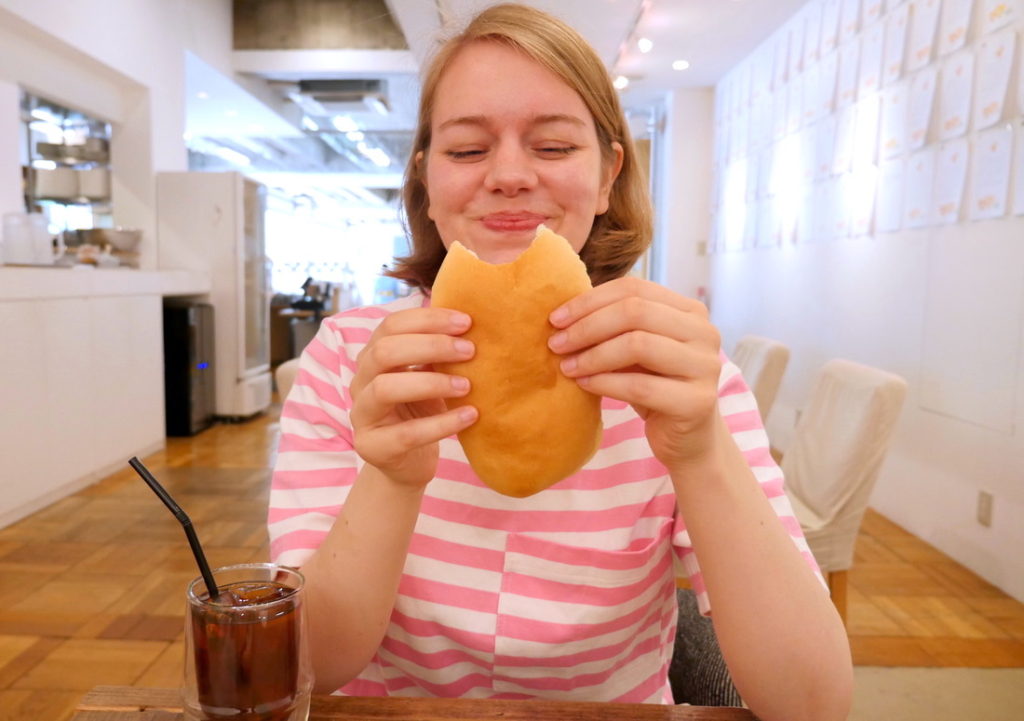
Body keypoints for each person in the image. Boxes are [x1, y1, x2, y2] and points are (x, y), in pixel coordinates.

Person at [268, 4, 853, 719]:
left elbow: (811, 702)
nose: (510, 175)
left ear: (608, 175)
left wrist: (700, 453)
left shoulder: (677, 373)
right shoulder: (350, 361)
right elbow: (310, 668)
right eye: (467, 149)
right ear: (425, 181)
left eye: (552, 146)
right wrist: (392, 477)